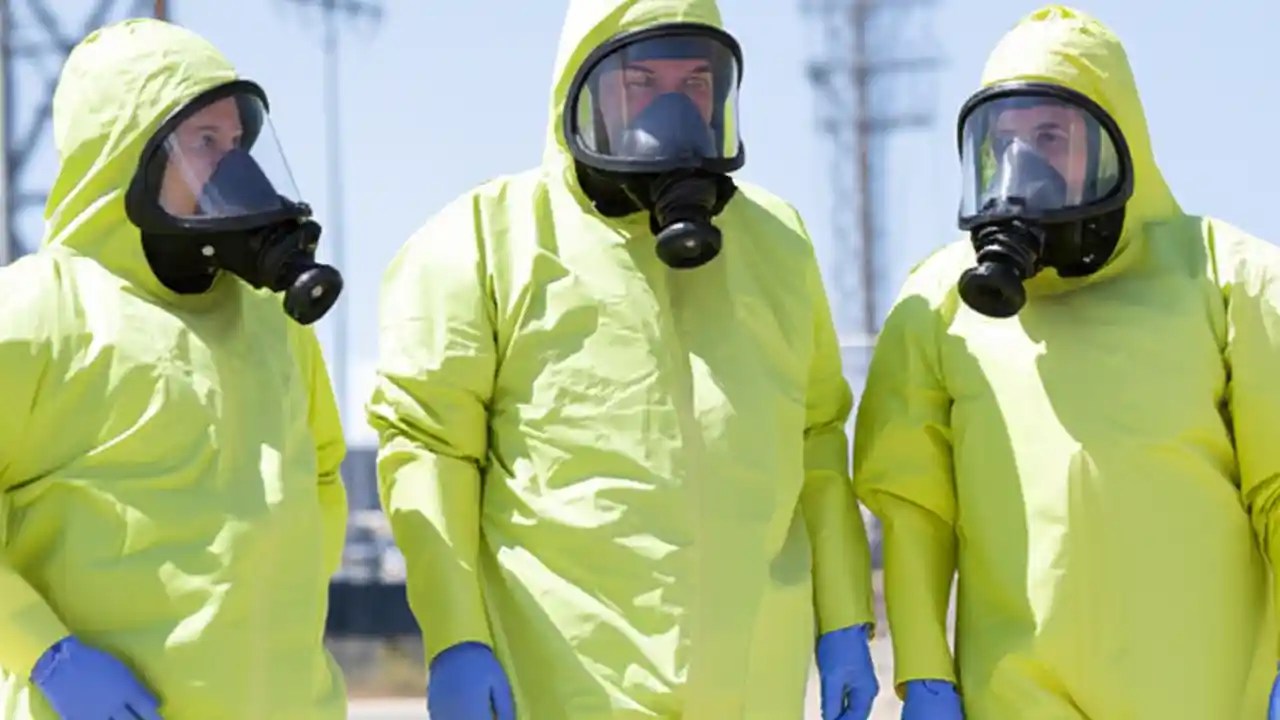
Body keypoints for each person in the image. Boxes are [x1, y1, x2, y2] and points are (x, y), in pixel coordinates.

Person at [366, 0, 880, 717]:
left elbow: (818, 443)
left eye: (695, 84)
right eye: (642, 85)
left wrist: (845, 619)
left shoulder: (777, 245)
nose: (674, 111)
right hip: (566, 690)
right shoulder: (485, 242)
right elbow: (427, 451)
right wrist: (457, 637)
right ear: (582, 89)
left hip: (753, 689)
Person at [854, 5, 1278, 719]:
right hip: (1018, 695)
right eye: (1005, 140)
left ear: (1118, 141)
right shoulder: (937, 303)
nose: (1025, 162)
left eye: (1051, 135)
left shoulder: (1229, 278)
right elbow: (914, 507)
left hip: (1204, 691)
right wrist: (924, 671)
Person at [0, 18, 349, 719]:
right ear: (129, 154)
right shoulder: (37, 309)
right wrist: (46, 653)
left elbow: (321, 479)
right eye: (204, 143)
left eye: (238, 141)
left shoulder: (272, 320)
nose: (233, 167)